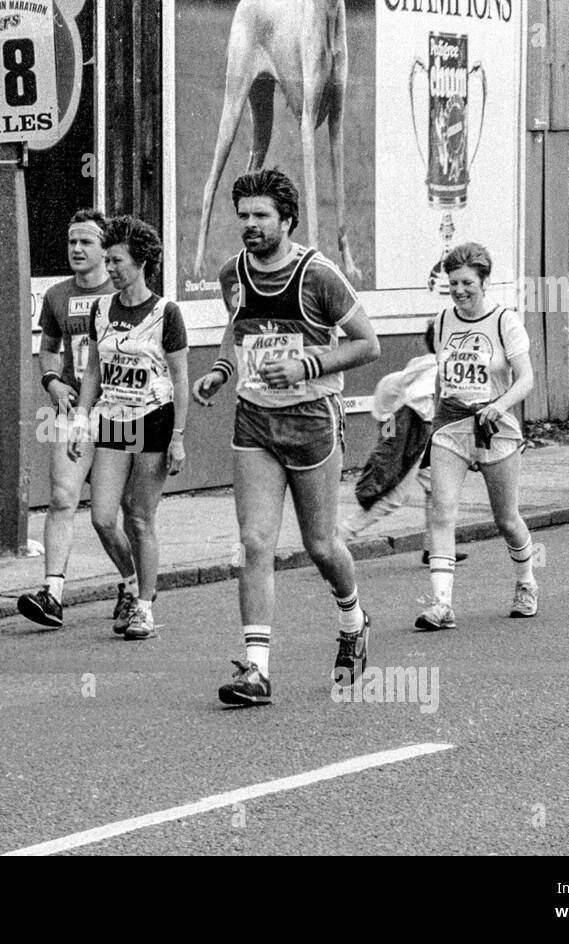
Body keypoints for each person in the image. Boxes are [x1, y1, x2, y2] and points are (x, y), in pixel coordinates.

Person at [192, 167, 380, 705]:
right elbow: (238, 328)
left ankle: (353, 622)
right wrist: (221, 372)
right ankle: (255, 669)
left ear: (287, 220)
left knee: (320, 545)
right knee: (255, 542)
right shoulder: (234, 271)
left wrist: (307, 365)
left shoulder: (319, 274)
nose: (249, 225)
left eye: (260, 216)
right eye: (243, 216)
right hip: (254, 418)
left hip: (312, 420)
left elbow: (368, 344)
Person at [68, 216, 188, 640]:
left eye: (117, 261)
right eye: (109, 260)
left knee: (139, 517)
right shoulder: (101, 309)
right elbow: (93, 371)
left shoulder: (165, 313)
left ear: (141, 263)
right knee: (103, 516)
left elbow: (180, 379)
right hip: (115, 418)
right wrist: (81, 419)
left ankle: (144, 608)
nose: (111, 268)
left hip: (153, 418)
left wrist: (178, 438)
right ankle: (132, 581)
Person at [17, 210, 137, 630]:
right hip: (69, 410)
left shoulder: (123, 291)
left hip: (122, 410)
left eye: (86, 242)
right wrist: (51, 381)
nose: (77, 249)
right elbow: (48, 348)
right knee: (62, 497)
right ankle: (53, 594)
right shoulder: (56, 296)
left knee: (114, 514)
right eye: (71, 242)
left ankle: (132, 583)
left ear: (107, 250)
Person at [414, 242, 536, 631]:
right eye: (453, 283)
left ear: (483, 281)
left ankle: (526, 583)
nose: (460, 290)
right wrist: (433, 414)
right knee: (442, 511)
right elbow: (442, 373)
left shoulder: (504, 321)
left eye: (467, 282)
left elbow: (526, 378)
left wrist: (500, 406)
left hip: (494, 428)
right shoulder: (444, 320)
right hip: (451, 426)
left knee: (506, 519)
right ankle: (441, 604)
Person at [338, 320, 467, 566]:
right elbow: (417, 402)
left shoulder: (420, 367)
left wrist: (388, 428)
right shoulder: (433, 371)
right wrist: (394, 436)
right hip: (415, 436)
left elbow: (387, 393)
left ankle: (436, 548)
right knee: (393, 497)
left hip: (417, 435)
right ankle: (340, 538)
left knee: (436, 489)